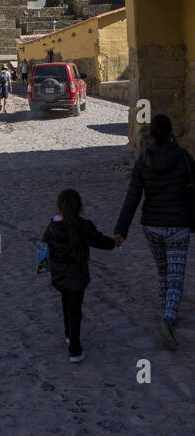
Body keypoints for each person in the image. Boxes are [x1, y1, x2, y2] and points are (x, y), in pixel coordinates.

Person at [113, 114, 195, 349]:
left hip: (152, 225)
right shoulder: (183, 157)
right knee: (176, 276)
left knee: (163, 271)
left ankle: (166, 309)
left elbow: (132, 198)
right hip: (178, 224)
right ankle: (168, 319)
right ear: (171, 133)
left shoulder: (143, 160)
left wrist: (121, 230)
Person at [43, 189, 115, 362]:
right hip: (77, 274)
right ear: (79, 206)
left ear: (59, 207)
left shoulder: (53, 226)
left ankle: (68, 335)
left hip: (59, 274)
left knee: (65, 303)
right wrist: (115, 243)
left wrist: (44, 268)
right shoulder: (84, 226)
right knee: (75, 310)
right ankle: (75, 350)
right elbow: (100, 241)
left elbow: (43, 246)